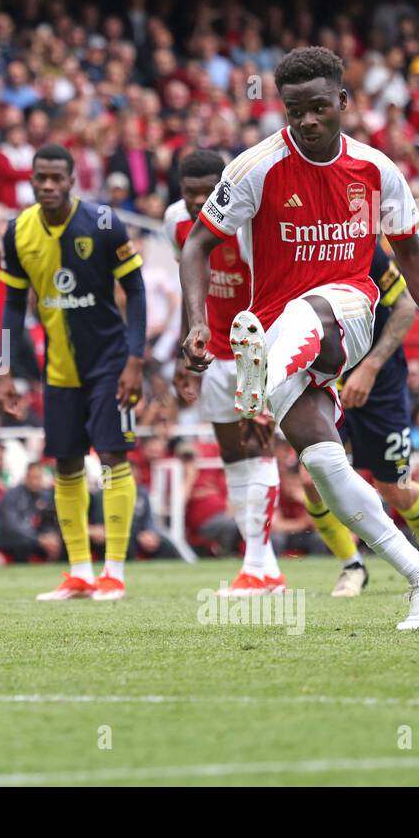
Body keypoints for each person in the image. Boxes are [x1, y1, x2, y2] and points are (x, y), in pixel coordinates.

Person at [180, 46, 419, 630]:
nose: (306, 120)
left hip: (348, 308)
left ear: (343, 102)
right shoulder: (254, 167)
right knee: (328, 473)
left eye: (318, 107)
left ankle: (258, 384)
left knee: (315, 309)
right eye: (294, 110)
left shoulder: (377, 170)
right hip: (276, 327)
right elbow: (196, 244)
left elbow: (410, 250)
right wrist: (198, 321)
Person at [0, 143, 147, 601]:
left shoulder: (103, 223)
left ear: (70, 180)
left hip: (110, 364)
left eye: (55, 178)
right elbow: (10, 303)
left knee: (113, 456)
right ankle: (80, 572)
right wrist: (3, 369)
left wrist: (135, 361)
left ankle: (114, 573)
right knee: (65, 462)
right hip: (59, 369)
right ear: (31, 180)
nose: (47, 186)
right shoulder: (17, 231)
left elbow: (135, 291)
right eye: (39, 178)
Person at [170, 149, 285, 594]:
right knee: (234, 456)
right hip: (213, 355)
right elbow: (189, 286)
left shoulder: (248, 225)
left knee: (261, 447)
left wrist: (261, 380)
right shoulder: (174, 222)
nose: (200, 201)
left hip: (255, 350)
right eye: (190, 193)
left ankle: (261, 563)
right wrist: (187, 350)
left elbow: (269, 295)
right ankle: (262, 566)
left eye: (208, 191)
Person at [307, 242, 419, 597]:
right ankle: (352, 567)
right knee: (311, 481)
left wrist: (369, 367)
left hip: (379, 384)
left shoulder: (363, 246)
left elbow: (404, 308)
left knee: (395, 491)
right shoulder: (296, 244)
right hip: (321, 377)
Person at [0, 461, 62, 563]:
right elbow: (13, 526)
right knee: (25, 543)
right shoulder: (12, 495)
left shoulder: (44, 496)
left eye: (38, 478)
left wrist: (50, 536)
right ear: (26, 477)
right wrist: (39, 539)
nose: (35, 481)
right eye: (32, 477)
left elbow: (48, 522)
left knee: (59, 542)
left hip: (33, 537)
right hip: (7, 537)